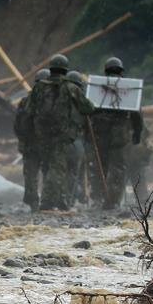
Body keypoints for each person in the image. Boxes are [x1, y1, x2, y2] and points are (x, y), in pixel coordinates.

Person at [25, 54, 94, 211]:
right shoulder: (71, 88)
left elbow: (29, 110)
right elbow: (88, 108)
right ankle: (48, 202)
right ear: (65, 69)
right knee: (58, 167)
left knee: (48, 166)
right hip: (62, 135)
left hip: (41, 134)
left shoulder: (39, 87)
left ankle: (58, 199)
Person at [87, 57, 145, 209]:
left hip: (100, 134)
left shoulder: (97, 87)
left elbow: (88, 112)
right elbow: (136, 115)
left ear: (106, 70)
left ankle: (97, 198)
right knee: (117, 168)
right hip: (119, 136)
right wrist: (137, 134)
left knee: (100, 167)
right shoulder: (128, 88)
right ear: (121, 71)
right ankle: (112, 201)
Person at [14, 68, 50, 211]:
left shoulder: (26, 101)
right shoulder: (51, 100)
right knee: (48, 171)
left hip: (29, 143)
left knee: (31, 173)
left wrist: (23, 138)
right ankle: (47, 201)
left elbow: (17, 123)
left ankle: (33, 202)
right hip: (46, 143)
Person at [64, 70, 90, 207]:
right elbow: (90, 110)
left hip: (59, 140)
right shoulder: (80, 99)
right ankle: (70, 199)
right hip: (76, 140)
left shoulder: (59, 96)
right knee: (74, 172)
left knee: (61, 170)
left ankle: (63, 199)